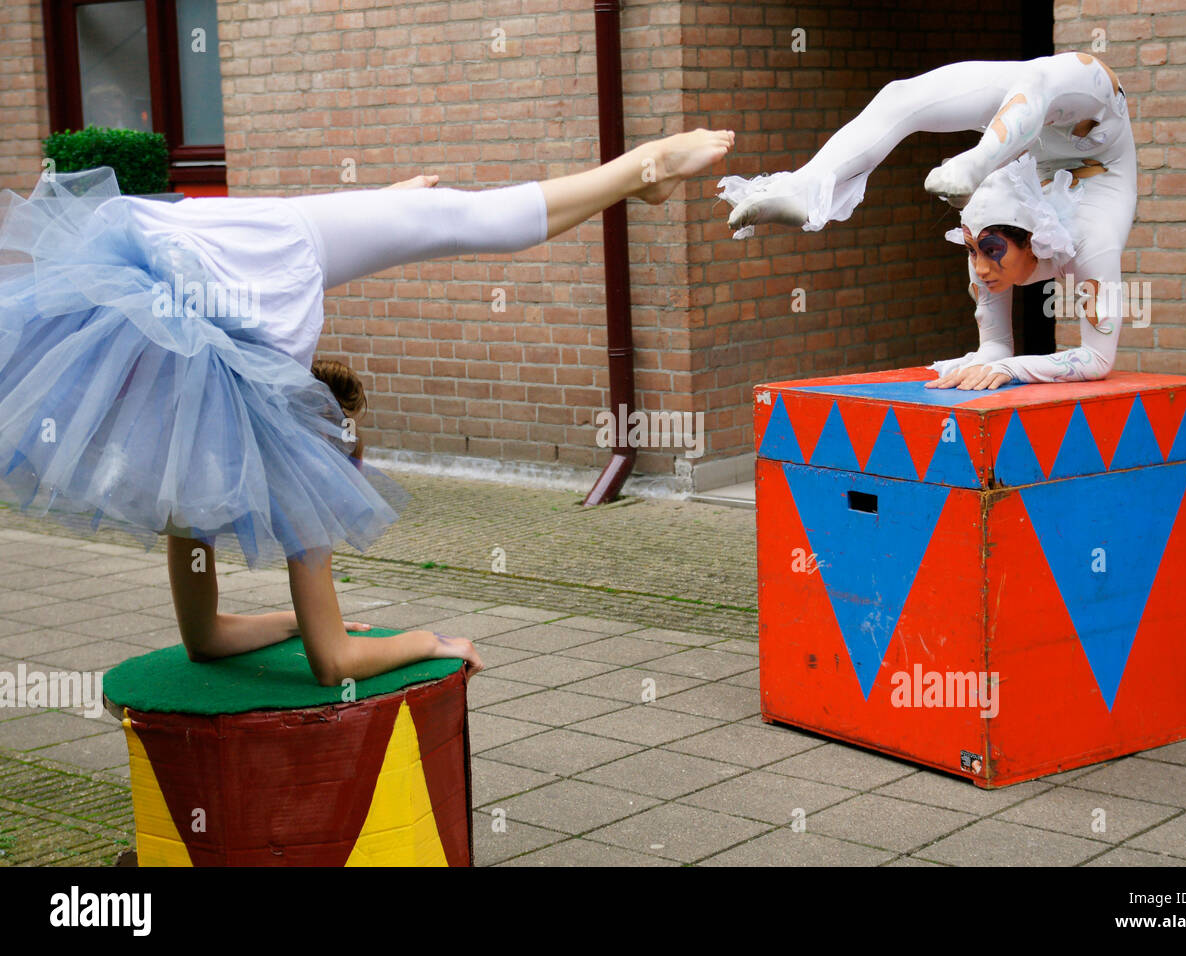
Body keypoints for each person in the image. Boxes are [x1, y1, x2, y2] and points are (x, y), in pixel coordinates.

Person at [0, 127, 734, 685]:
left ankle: (648, 165)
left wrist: (431, 643)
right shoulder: (184, 446)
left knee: (457, 219)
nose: (340, 475)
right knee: (432, 219)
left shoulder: (257, 435)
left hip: (214, 266)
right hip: (156, 247)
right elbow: (210, 639)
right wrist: (293, 618)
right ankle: (627, 181)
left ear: (317, 437)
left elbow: (334, 659)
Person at [717, 52, 1136, 389]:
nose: (980, 267)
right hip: (1038, 131)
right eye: (971, 248)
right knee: (900, 96)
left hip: (1097, 126)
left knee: (1039, 82)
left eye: (989, 252)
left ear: (1033, 241)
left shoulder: (1092, 237)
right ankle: (807, 188)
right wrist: (988, 359)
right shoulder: (992, 234)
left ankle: (978, 160)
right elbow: (994, 346)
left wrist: (1014, 369)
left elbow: (1098, 357)